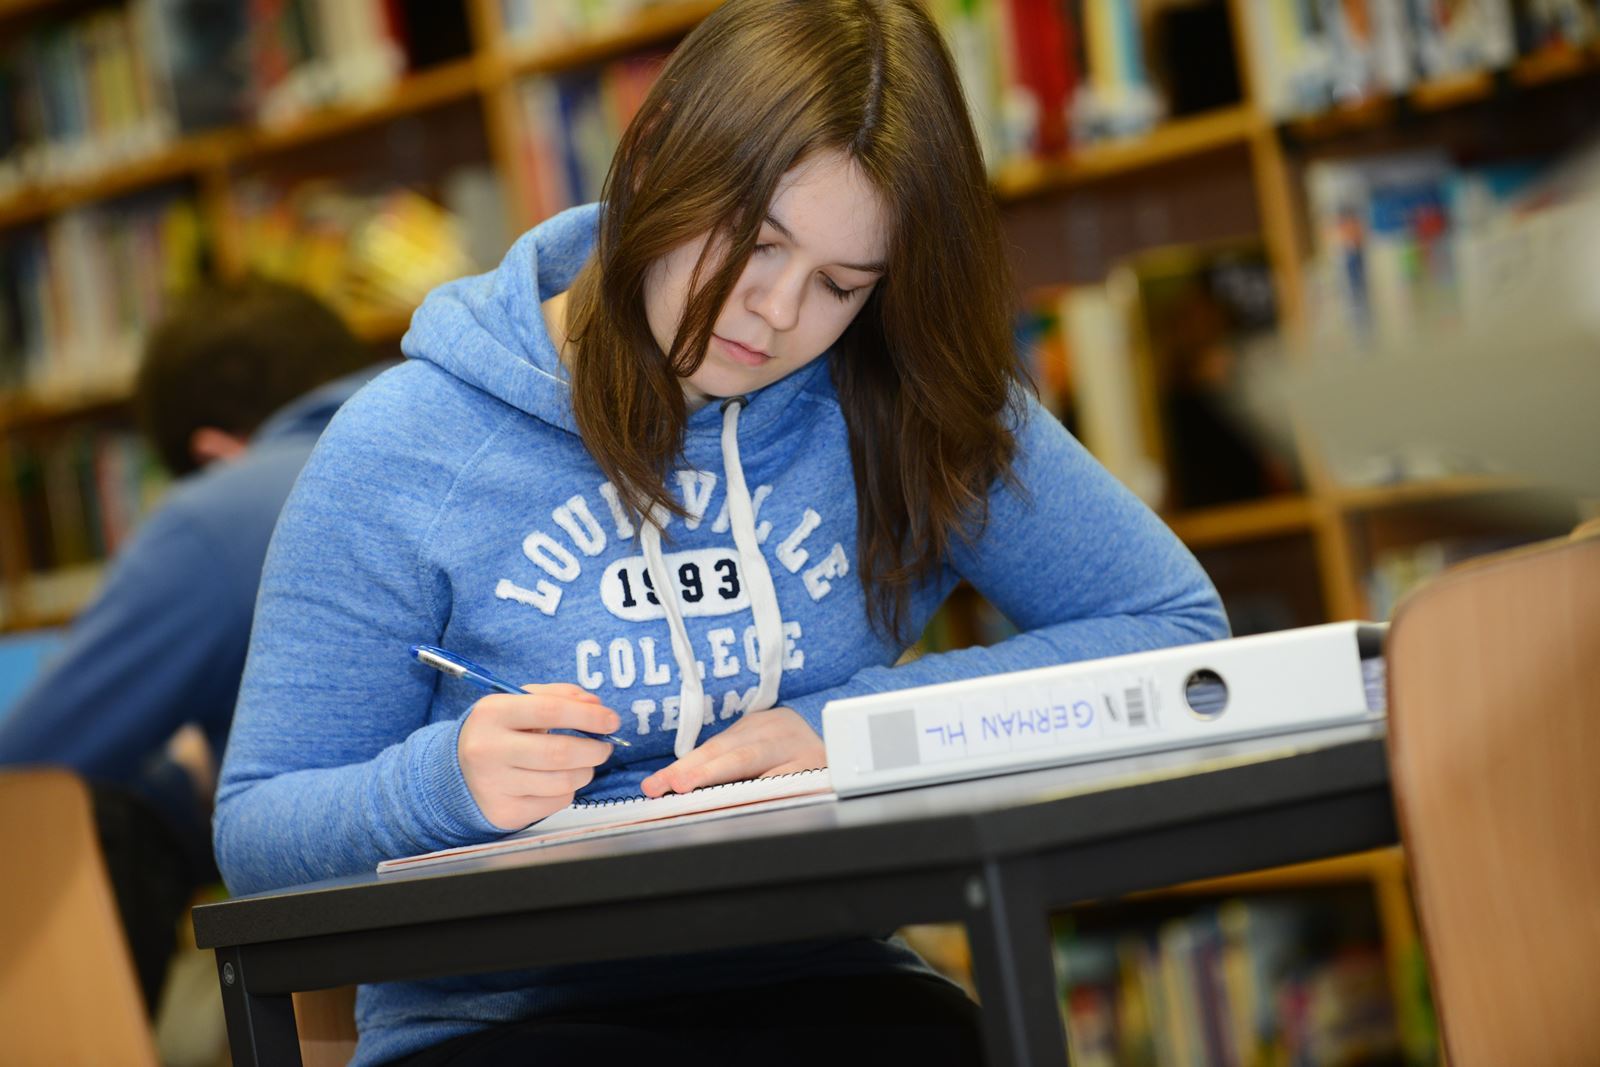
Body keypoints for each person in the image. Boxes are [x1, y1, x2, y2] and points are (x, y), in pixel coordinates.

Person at [214, 1, 1229, 1064]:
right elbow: (259, 834)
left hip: (824, 977)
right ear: (654, 157)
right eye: (754, 243)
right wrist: (440, 784)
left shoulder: (897, 390)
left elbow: (1171, 629)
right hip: (506, 1015)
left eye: (841, 284)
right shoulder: (410, 442)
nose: (776, 314)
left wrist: (856, 727)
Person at [0, 277, 386, 1013]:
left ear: (212, 452)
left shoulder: (218, 514)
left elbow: (27, 762)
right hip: (567, 859)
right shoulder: (469, 426)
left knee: (104, 814)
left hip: (361, 912)